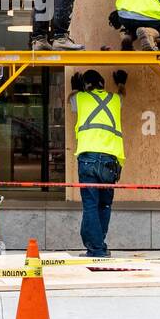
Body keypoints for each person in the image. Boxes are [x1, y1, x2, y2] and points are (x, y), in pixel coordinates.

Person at [69, 69, 128, 258]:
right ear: (103, 83)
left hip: (88, 159)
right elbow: (122, 95)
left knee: (91, 205)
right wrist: (121, 82)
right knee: (104, 205)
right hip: (110, 160)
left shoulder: (81, 97)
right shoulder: (114, 99)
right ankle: (98, 244)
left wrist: (75, 87)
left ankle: (96, 249)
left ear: (86, 85)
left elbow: (71, 99)